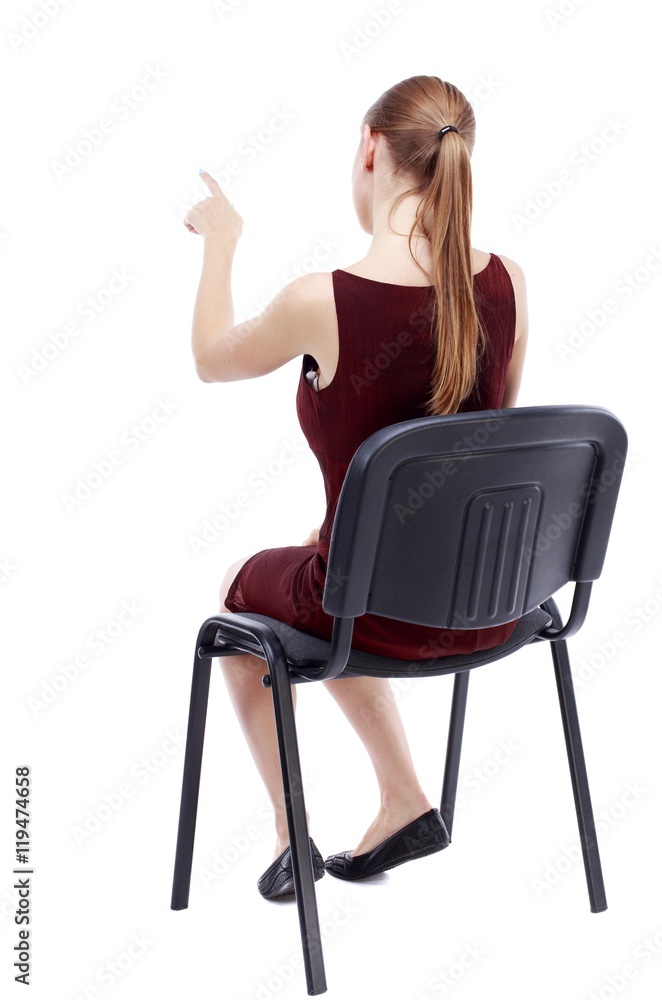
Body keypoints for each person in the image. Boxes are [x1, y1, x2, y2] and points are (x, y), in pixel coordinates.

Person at [183, 75, 528, 899]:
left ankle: (288, 834)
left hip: (369, 607)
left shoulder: (322, 301)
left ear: (370, 147)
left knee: (241, 596)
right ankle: (406, 800)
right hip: (497, 608)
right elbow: (481, 455)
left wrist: (222, 239)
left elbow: (209, 358)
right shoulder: (509, 282)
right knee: (333, 572)